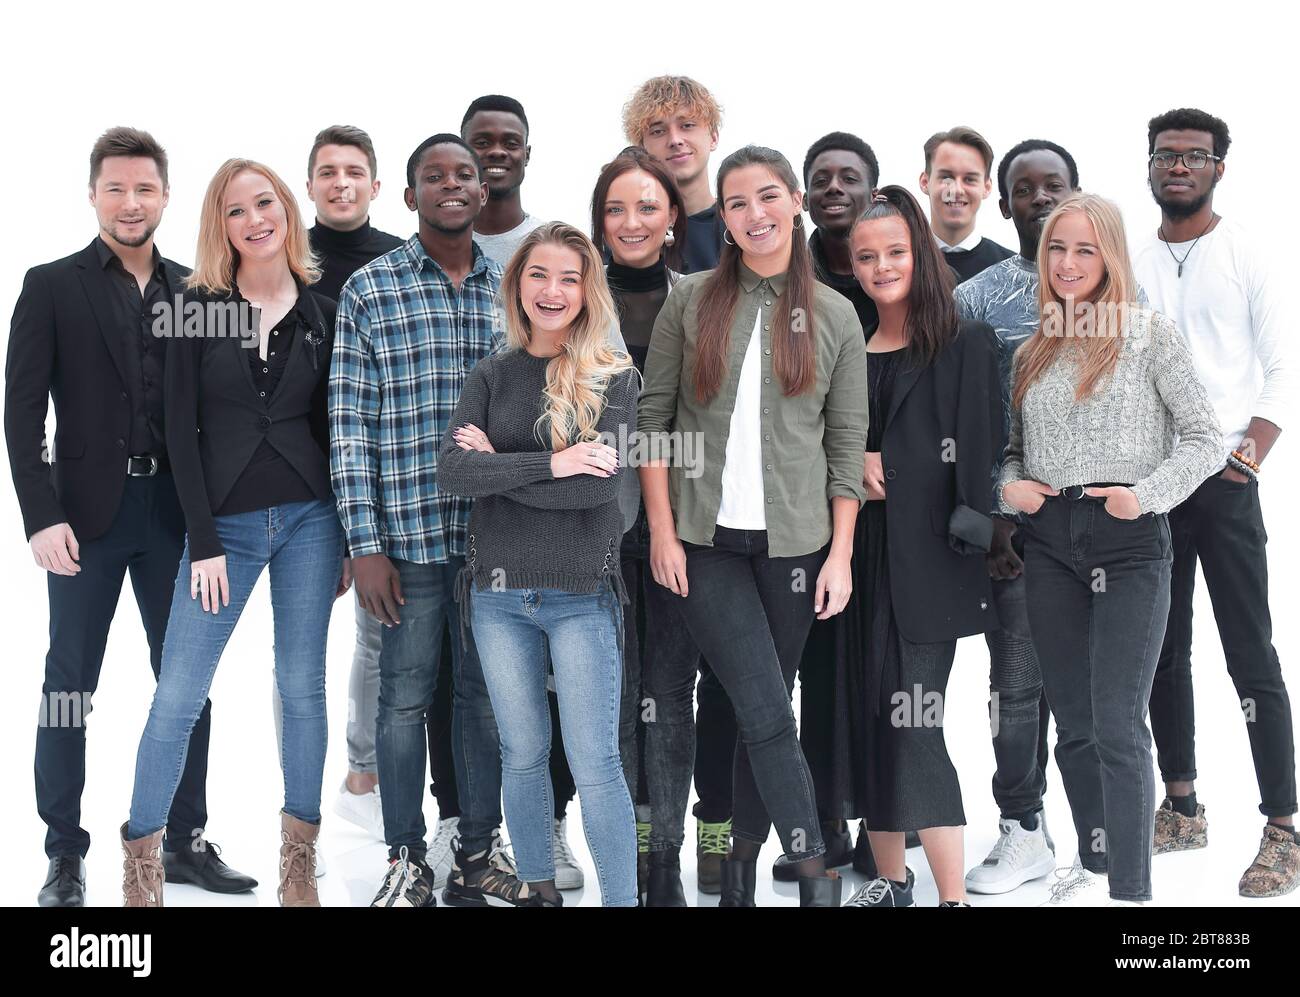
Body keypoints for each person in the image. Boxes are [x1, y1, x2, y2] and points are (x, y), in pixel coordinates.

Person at [5, 127, 255, 907]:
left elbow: (225, 409)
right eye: (115, 188)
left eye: (144, 189)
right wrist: (40, 515)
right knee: (68, 685)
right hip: (82, 521)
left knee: (185, 681)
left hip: (175, 520)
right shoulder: (50, 284)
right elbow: (20, 412)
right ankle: (64, 851)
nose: (130, 202)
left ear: (166, 197)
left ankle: (182, 839)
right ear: (92, 195)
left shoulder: (198, 293)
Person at [639, 144, 869, 907]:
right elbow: (653, 420)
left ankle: (738, 869)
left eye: (767, 197)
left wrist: (839, 556)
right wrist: (664, 532)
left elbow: (845, 449)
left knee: (752, 704)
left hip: (797, 549)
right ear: (723, 219)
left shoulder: (834, 314)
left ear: (795, 200)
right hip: (704, 543)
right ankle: (813, 870)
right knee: (769, 709)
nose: (753, 214)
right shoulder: (692, 299)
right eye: (736, 203)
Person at [120, 158, 347, 907]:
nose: (255, 219)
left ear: (286, 208)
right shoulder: (197, 305)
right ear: (220, 226)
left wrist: (346, 534)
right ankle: (143, 859)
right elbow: (178, 432)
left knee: (302, 688)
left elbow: (333, 426)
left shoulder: (322, 305)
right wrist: (204, 538)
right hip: (227, 529)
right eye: (235, 210)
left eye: (265, 202)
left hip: (311, 519)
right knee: (179, 691)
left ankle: (298, 859)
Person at [1000, 193, 1221, 906]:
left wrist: (1145, 494)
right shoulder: (1033, 346)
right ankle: (1094, 864)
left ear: (1111, 257)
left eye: (1085, 249)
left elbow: (1205, 438)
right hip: (1052, 542)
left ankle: (1131, 897)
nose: (1068, 263)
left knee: (1120, 726)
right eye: (1057, 249)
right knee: (1075, 722)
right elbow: (1010, 454)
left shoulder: (1149, 335)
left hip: (1128, 541)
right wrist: (1012, 490)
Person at [331, 134, 522, 907]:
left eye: (464, 174)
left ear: (482, 193)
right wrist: (365, 543)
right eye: (433, 176)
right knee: (403, 701)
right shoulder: (371, 290)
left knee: (482, 700)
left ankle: (476, 849)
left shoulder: (511, 287)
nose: (452, 184)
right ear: (408, 197)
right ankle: (406, 856)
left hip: (495, 543)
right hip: (406, 543)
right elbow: (350, 425)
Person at [439, 221, 641, 907]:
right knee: (522, 755)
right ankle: (539, 892)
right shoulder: (491, 375)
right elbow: (452, 473)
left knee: (595, 760)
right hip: (497, 599)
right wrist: (552, 461)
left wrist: (497, 464)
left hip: (582, 595)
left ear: (587, 291)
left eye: (568, 278)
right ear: (517, 284)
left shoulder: (612, 380)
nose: (552, 290)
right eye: (538, 275)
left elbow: (598, 491)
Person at [1135, 107, 1299, 898]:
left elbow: (1284, 364)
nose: (1179, 167)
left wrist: (1250, 453)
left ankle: (1283, 827)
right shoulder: (1130, 256)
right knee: (1162, 650)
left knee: (1251, 653)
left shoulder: (1247, 252)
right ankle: (1183, 805)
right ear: (1150, 165)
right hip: (1154, 481)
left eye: (1195, 157)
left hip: (1226, 482)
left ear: (1218, 169)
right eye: (1167, 155)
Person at [832, 187, 1001, 908]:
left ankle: (952, 896)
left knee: (914, 722)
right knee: (871, 718)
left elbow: (983, 464)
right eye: (866, 256)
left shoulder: (965, 339)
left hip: (927, 566)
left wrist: (894, 476)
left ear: (921, 252)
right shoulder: (848, 340)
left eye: (895, 252)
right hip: (851, 558)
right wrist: (850, 468)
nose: (880, 266)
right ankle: (890, 880)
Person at [954, 138, 1080, 894]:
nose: (1038, 198)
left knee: (1091, 689)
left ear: (1075, 191)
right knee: (1017, 681)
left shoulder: (1115, 292)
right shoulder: (980, 297)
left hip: (1102, 521)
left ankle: (1096, 831)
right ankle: (1022, 825)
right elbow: (962, 416)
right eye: (1024, 189)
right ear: (1004, 204)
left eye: (1052, 185)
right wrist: (992, 514)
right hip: (1014, 524)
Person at [622, 72, 737, 890]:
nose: (675, 137)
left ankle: (717, 830)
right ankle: (645, 834)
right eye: (656, 127)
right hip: (620, 508)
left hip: (721, 503)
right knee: (636, 685)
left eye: (688, 123)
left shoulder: (740, 226)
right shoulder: (612, 254)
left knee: (723, 678)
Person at [588, 146, 696, 903]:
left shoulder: (698, 297)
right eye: (616, 208)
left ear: (672, 220)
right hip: (591, 527)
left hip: (684, 524)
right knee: (613, 697)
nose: (631, 221)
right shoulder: (571, 296)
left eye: (647, 207)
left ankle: (667, 860)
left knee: (671, 690)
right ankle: (622, 859)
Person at [783, 130, 881, 884]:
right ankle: (818, 823)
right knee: (810, 667)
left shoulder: (895, 273)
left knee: (877, 673)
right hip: (799, 507)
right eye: (822, 177)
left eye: (851, 176)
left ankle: (883, 817)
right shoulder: (784, 274)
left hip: (887, 508)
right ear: (805, 194)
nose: (836, 187)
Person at [300, 124, 403, 843]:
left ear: (374, 183)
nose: (341, 182)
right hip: (295, 484)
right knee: (297, 654)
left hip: (375, 477)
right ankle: (296, 813)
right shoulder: (283, 256)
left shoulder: (400, 260)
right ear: (309, 184)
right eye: (327, 171)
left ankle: (365, 772)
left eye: (354, 170)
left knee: (380, 631)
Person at [919, 126, 1014, 283]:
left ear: (987, 187)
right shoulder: (898, 266)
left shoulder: (1010, 272)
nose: (956, 190)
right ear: (925, 182)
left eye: (969, 179)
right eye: (946, 177)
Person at [463, 95, 545, 265]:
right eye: (483, 142)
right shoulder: (437, 245)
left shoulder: (555, 244)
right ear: (461, 152)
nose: (497, 152)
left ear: (527, 155)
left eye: (511, 143)